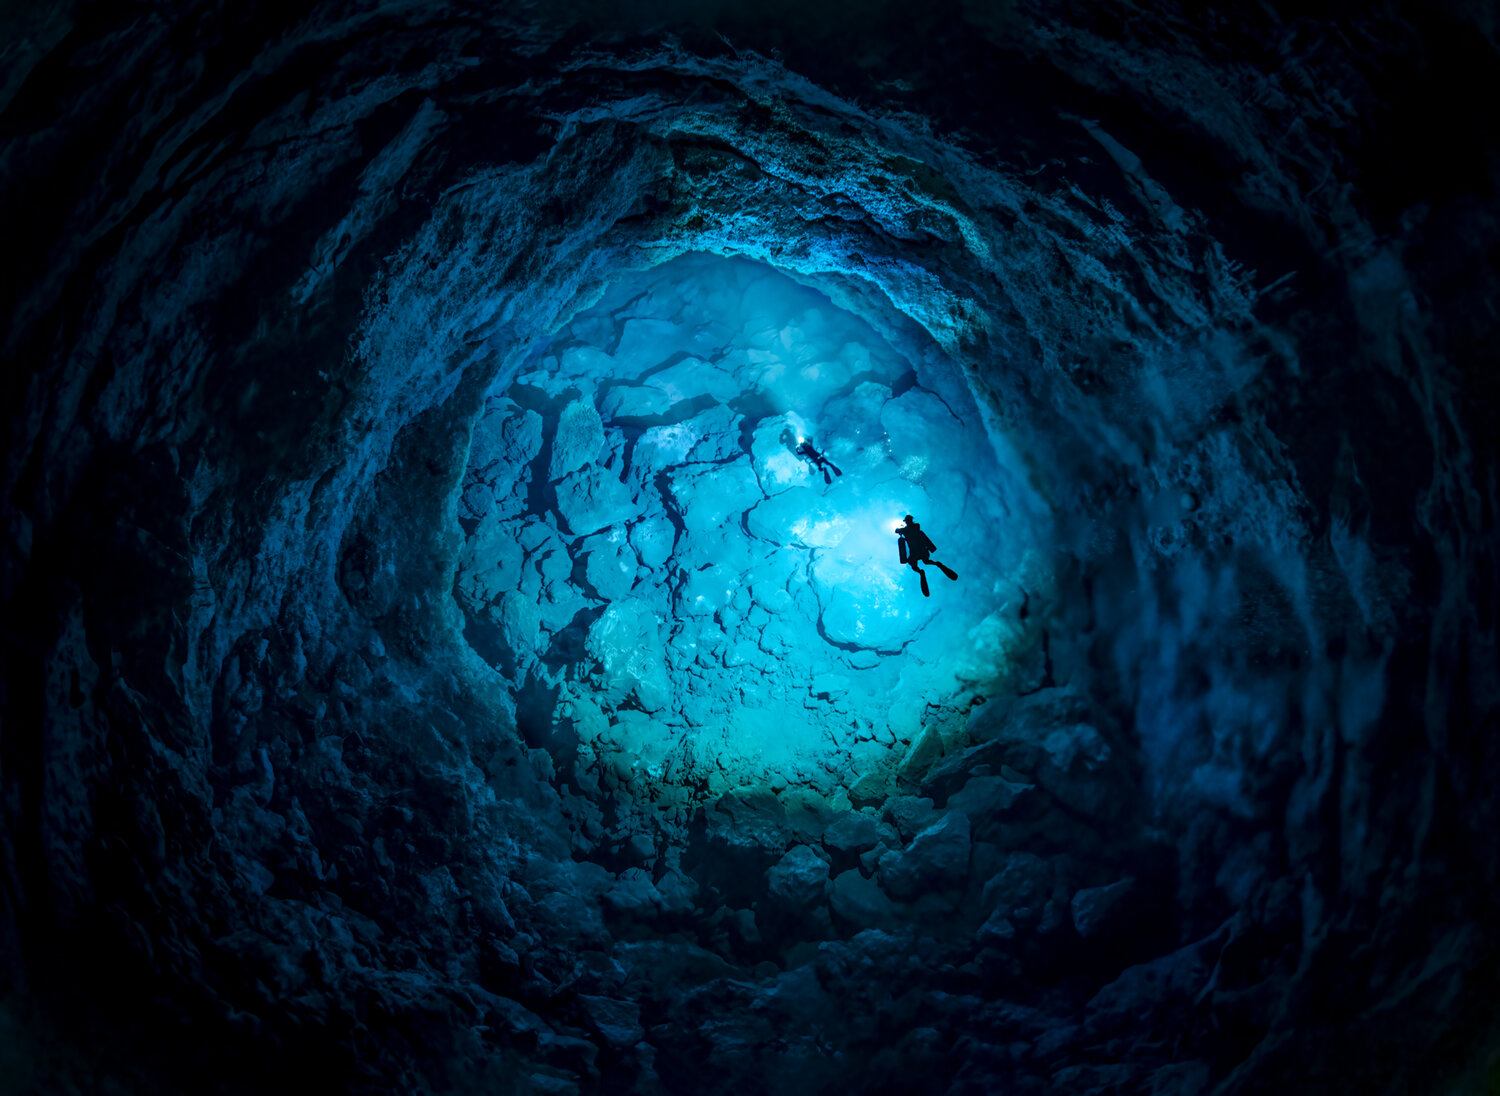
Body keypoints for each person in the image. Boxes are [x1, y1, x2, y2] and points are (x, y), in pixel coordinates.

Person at [896, 515, 958, 597]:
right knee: (923, 562)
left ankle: (924, 571)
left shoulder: (910, 528)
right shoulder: (914, 528)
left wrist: (899, 531)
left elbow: (898, 531)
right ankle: (933, 566)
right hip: (920, 551)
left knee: (918, 564)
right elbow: (899, 531)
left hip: (918, 550)